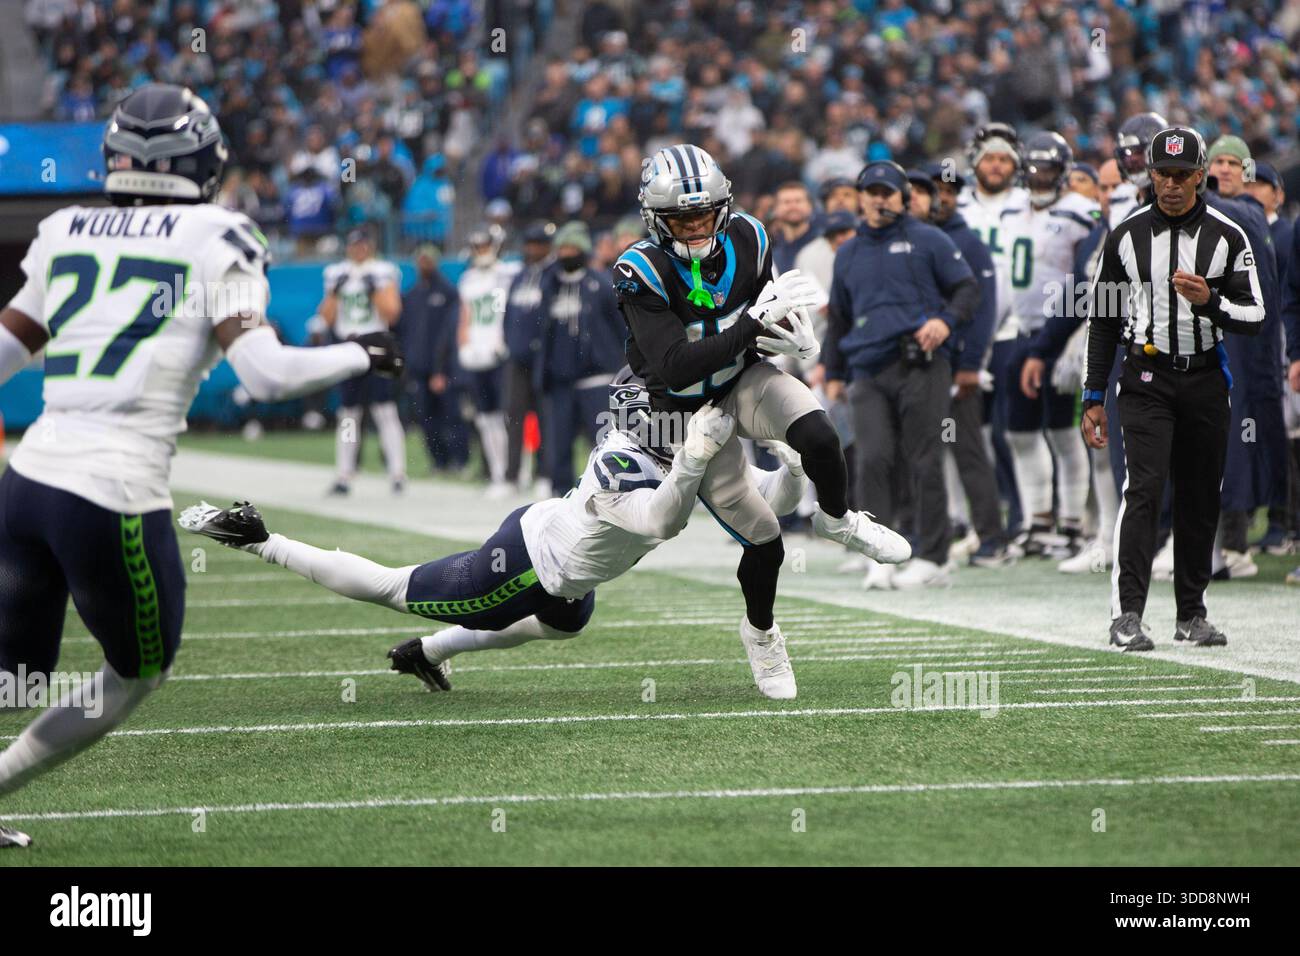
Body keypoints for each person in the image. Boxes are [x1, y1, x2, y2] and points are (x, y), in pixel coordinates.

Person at [0, 84, 400, 849]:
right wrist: (363, 351)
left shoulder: (65, 227)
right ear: (203, 161)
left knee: (12, 679)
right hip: (109, 492)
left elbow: (6, 351)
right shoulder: (220, 233)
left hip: (25, 482)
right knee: (136, 672)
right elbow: (265, 374)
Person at [181, 378, 808, 700]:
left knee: (567, 622)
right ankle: (259, 537)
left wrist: (795, 466)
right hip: (528, 562)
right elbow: (657, 522)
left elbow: (768, 505)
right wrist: (695, 460)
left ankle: (426, 652)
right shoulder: (625, 464)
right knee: (397, 587)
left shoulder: (684, 455)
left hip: (565, 561)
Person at [616, 144, 911, 673]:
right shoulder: (640, 270)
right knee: (765, 541)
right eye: (681, 220)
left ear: (723, 208)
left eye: (704, 215)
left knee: (820, 435)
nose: (696, 229)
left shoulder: (750, 236)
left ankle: (838, 519)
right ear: (656, 220)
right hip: (685, 411)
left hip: (742, 377)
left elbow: (762, 322)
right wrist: (754, 323)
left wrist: (790, 337)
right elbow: (676, 365)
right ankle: (762, 633)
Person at [1082, 127, 1265, 651]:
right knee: (1143, 489)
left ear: (1201, 175)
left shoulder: (1229, 235)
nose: (1171, 184)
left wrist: (1210, 302)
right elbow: (1104, 318)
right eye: (1163, 172)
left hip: (1207, 375)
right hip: (1145, 377)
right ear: (1151, 174)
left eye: (1182, 174)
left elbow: (1255, 315)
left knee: (1201, 494)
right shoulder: (1127, 234)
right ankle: (1126, 615)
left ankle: (1192, 614)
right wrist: (1093, 395)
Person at [824, 160, 980, 590]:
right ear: (860, 198)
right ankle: (880, 556)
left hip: (922, 365)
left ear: (904, 198)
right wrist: (832, 369)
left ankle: (934, 555)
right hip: (867, 369)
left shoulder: (929, 239)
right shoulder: (849, 253)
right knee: (872, 458)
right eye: (871, 192)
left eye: (887, 192)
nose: (879, 199)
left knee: (925, 457)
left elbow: (968, 289)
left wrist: (945, 321)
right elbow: (839, 315)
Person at [1000, 132, 1103, 559]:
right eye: (1035, 168)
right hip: (1020, 329)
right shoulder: (1010, 208)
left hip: (1061, 333)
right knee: (1020, 432)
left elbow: (1086, 279)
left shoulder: (1082, 212)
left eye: (1049, 168)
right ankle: (1037, 521)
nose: (1041, 176)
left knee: (1063, 431)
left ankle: (1075, 524)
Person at [925, 162, 1008, 567]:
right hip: (917, 366)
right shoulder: (915, 236)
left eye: (950, 191)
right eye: (934, 189)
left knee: (967, 450)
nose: (943, 197)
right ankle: (936, 533)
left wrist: (972, 362)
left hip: (955, 365)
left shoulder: (968, 243)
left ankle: (992, 537)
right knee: (921, 453)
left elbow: (984, 306)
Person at [536, 222, 625, 495]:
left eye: (572, 248)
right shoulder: (550, 285)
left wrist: (619, 366)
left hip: (597, 376)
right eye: (562, 248)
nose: (566, 253)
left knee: (602, 440)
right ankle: (559, 491)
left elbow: (621, 328)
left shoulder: (600, 284)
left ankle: (609, 489)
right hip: (561, 378)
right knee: (558, 442)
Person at [320, 225, 406, 494]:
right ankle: (344, 473)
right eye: (355, 245)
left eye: (363, 244)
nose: (359, 250)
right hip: (349, 345)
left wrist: (374, 290)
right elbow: (327, 317)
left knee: (385, 410)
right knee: (348, 414)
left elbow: (392, 313)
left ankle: (397, 473)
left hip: (378, 344)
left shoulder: (383, 271)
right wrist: (336, 292)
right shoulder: (336, 272)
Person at [457, 227, 522, 496]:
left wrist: (505, 340)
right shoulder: (469, 278)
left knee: (509, 415)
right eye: (478, 246)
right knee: (485, 418)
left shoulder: (508, 273)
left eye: (485, 246)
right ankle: (498, 473)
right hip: (477, 354)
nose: (482, 251)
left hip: (501, 353)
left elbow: (514, 309)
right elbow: (465, 317)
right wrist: (464, 345)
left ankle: (515, 472)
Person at [400, 245, 467, 473]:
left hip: (444, 367)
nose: (424, 264)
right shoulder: (411, 294)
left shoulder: (448, 292)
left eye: (428, 260)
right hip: (418, 368)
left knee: (452, 415)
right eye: (421, 260)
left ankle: (460, 460)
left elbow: (448, 334)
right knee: (426, 418)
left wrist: (442, 367)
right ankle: (438, 461)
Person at [502, 221, 555, 492]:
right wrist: (509, 343)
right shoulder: (520, 275)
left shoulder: (553, 275)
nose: (532, 249)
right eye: (529, 244)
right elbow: (509, 315)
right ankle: (511, 476)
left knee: (544, 416)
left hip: (543, 358)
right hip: (517, 356)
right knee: (513, 416)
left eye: (537, 244)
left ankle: (544, 474)